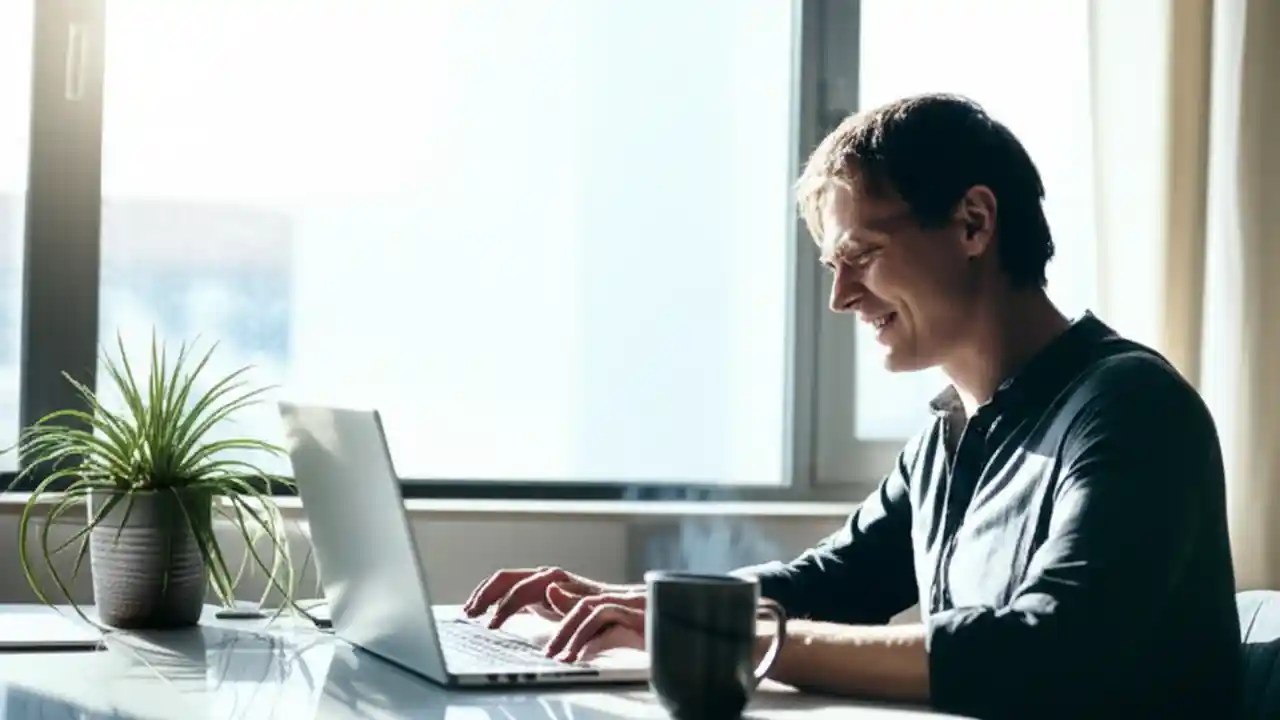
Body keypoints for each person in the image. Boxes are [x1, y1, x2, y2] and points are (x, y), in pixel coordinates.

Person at [464, 94, 1241, 718]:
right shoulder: (946, 437)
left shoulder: (1132, 408)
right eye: (832, 266)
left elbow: (1047, 647)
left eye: (860, 256)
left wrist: (736, 635)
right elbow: (830, 581)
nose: (840, 297)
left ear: (974, 222)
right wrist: (654, 605)